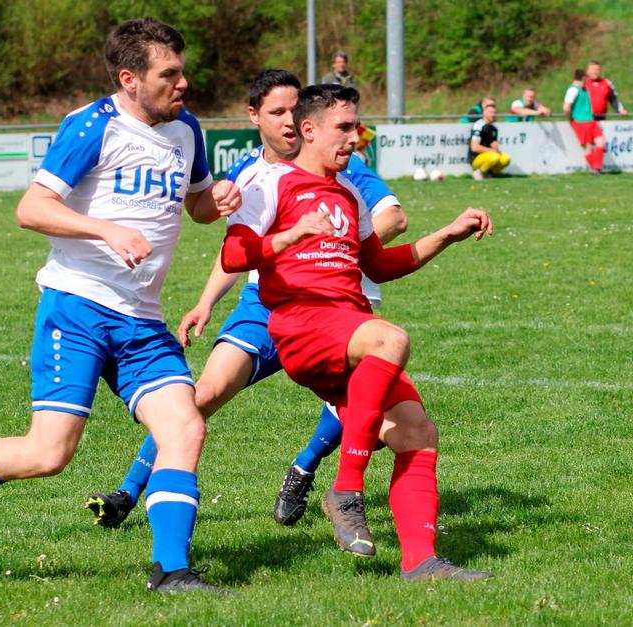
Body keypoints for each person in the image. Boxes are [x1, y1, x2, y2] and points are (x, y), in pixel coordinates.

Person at [0, 18, 240, 594]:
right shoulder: (92, 126)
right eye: (169, 74)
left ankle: (170, 570)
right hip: (78, 309)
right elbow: (32, 208)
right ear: (129, 79)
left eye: (182, 71)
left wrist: (219, 199)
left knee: (185, 429)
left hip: (142, 320)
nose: (183, 83)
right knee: (48, 453)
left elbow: (198, 206)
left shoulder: (186, 129)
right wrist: (106, 229)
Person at [84, 69, 409, 530]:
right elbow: (239, 248)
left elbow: (393, 217)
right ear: (254, 116)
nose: (289, 121)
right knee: (204, 394)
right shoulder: (249, 172)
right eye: (278, 112)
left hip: (335, 306)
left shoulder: (341, 163)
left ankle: (305, 466)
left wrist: (334, 248)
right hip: (262, 306)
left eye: (294, 109)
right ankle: (128, 492)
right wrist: (206, 301)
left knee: (370, 412)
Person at [220, 83, 494, 582]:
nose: (354, 138)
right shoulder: (268, 182)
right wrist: (291, 235)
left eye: (357, 127)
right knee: (391, 338)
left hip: (347, 325)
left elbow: (380, 265)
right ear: (308, 130)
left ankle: (421, 562)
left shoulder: (349, 193)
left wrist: (446, 235)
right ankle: (346, 488)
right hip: (301, 323)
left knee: (417, 432)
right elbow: (233, 254)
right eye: (343, 128)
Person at [564, 68, 605, 173]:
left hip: (590, 120)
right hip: (581, 122)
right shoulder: (573, 90)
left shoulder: (584, 89)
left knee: (601, 142)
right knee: (588, 147)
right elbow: (566, 107)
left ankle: (596, 167)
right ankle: (596, 169)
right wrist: (570, 119)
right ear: (583, 78)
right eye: (586, 78)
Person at [468, 103, 511, 179]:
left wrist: (495, 147)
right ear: (484, 113)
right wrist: (492, 150)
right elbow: (474, 147)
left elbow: (492, 145)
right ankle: (479, 172)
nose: (493, 115)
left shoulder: (494, 128)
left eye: (494, 113)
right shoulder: (479, 125)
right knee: (494, 156)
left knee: (506, 158)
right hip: (475, 157)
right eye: (490, 112)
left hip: (488, 154)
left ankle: (490, 174)